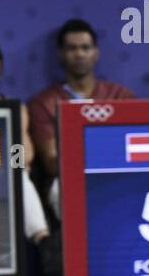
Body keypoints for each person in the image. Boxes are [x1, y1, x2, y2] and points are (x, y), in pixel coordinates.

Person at [27, 18, 137, 213]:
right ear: (60, 54)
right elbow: (53, 163)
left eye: (85, 48)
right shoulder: (43, 103)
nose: (79, 54)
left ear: (96, 53)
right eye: (72, 48)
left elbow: (135, 148)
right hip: (67, 180)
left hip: (115, 175)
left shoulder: (120, 96)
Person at [0, 34, 49, 244]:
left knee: (20, 178)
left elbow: (24, 155)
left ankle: (43, 241)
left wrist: (11, 168)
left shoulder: (14, 108)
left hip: (2, 174)